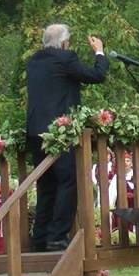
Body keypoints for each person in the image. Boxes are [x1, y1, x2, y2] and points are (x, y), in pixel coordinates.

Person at [25, 24, 108, 251]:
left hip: (35, 132)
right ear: (63, 43)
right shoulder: (65, 58)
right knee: (68, 180)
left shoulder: (33, 62)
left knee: (47, 185)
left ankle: (40, 237)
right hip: (59, 132)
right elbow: (96, 75)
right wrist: (99, 52)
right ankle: (57, 236)